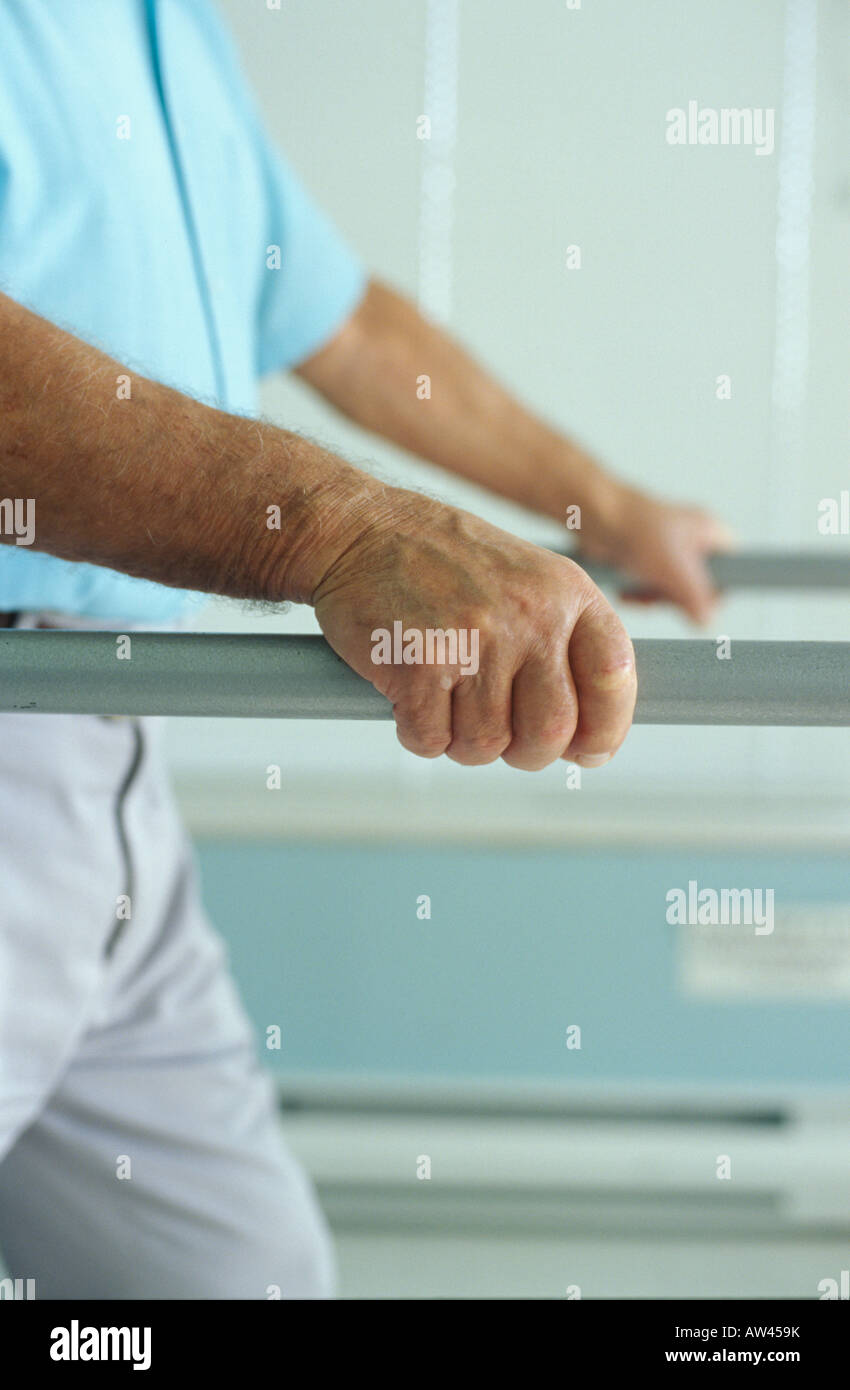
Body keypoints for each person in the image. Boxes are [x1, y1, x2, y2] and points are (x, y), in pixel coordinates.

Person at [0, 0, 730, 1298]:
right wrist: (337, 530)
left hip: (114, 766)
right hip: (23, 706)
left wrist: (599, 505)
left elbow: (339, 323)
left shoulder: (164, 27)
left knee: (240, 1278)